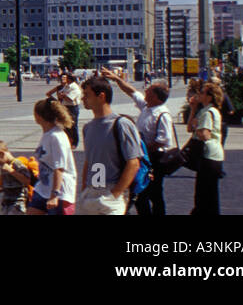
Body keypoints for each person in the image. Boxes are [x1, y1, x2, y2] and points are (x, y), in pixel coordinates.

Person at [102, 69, 175, 216]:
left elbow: (163, 140)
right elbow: (132, 92)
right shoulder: (147, 107)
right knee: (141, 192)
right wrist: (116, 78)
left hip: (154, 158)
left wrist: (141, 151)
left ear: (156, 97)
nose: (145, 92)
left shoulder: (163, 114)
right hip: (144, 156)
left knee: (154, 193)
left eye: (148, 91)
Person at [76, 77, 143, 215]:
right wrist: (85, 190)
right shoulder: (88, 127)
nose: (83, 99)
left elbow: (134, 162)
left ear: (101, 96)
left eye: (87, 95)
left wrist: (115, 194)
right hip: (92, 190)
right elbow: (90, 161)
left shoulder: (121, 124)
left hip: (111, 191)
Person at [28, 99, 76, 215]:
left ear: (38, 116)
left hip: (59, 191)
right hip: (43, 188)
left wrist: (55, 195)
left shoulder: (57, 137)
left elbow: (59, 167)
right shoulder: (47, 134)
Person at [190, 82, 225, 216]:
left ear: (210, 97)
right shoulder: (204, 111)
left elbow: (204, 134)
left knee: (205, 194)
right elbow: (190, 128)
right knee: (208, 194)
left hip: (209, 155)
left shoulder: (208, 112)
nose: (199, 94)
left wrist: (197, 128)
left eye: (203, 92)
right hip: (213, 156)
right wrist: (193, 109)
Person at [0, 139, 36, 214]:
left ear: (2, 154)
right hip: (7, 202)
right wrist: (1, 187)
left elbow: (27, 181)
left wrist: (11, 171)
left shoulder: (17, 164)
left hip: (18, 203)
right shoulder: (4, 166)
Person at [47, 72, 82, 147]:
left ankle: (74, 142)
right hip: (65, 107)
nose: (64, 79)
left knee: (73, 125)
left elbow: (69, 98)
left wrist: (63, 96)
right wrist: (60, 98)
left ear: (69, 79)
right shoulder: (67, 86)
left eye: (66, 78)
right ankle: (68, 141)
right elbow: (59, 94)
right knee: (65, 125)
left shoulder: (74, 87)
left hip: (72, 108)